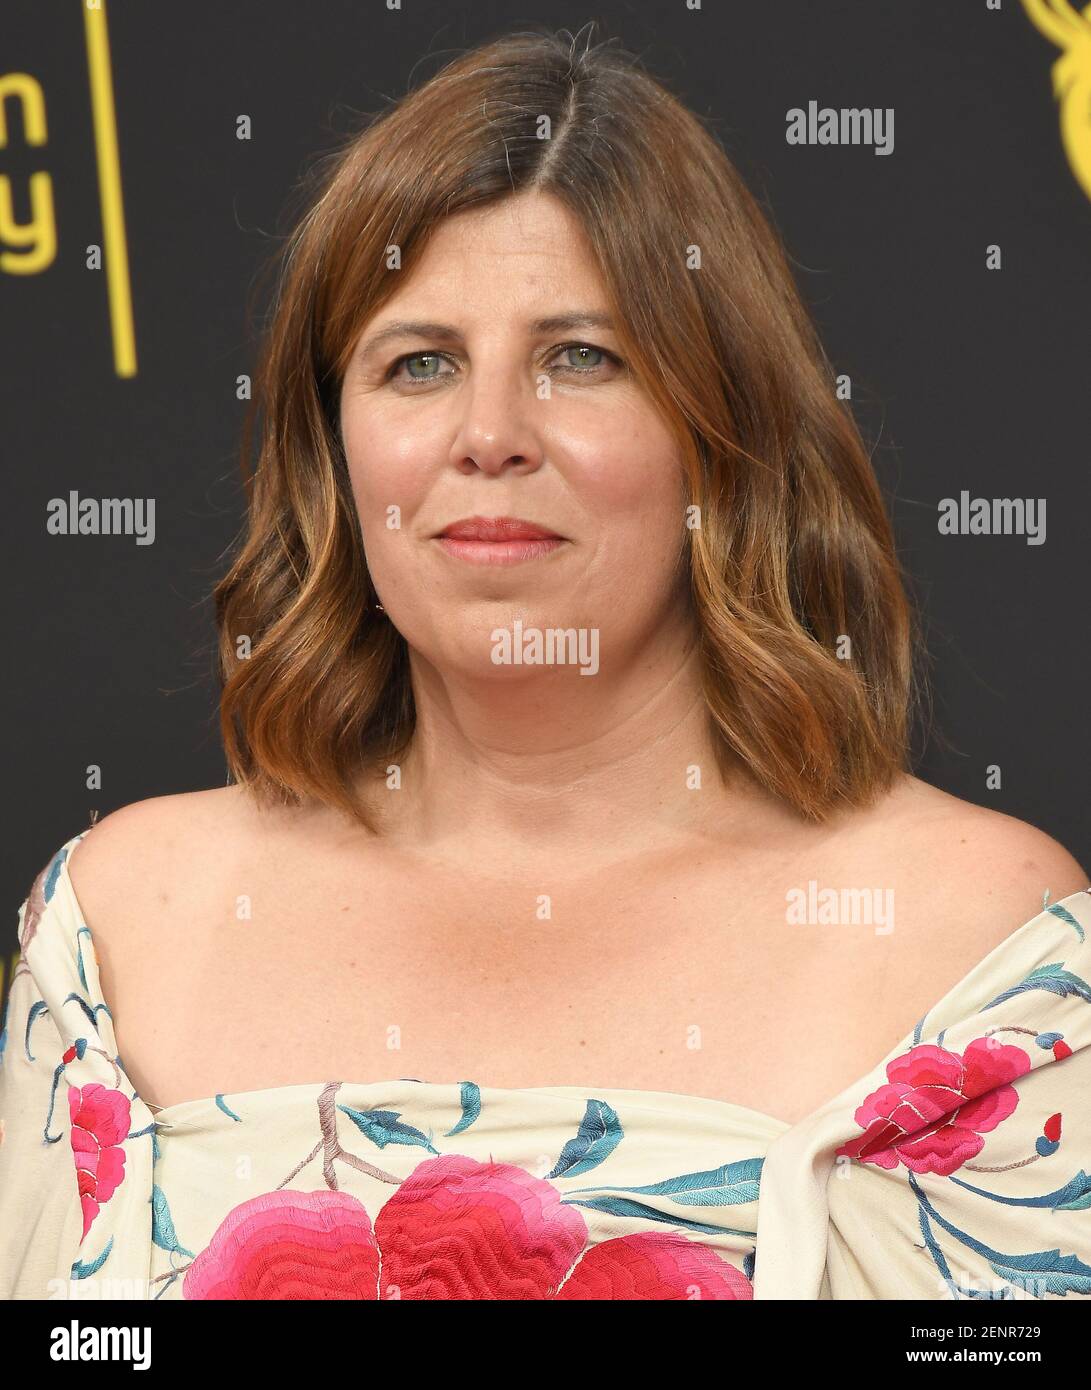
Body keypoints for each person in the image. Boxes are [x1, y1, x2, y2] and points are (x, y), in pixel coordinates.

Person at [2, 27, 1087, 1302]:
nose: (489, 436)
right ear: (332, 451)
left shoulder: (971, 947)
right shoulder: (122, 927)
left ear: (718, 431)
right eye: (418, 364)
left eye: (581, 357)